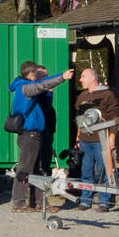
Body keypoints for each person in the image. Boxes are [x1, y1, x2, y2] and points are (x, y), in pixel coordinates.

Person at [9, 61, 73, 212]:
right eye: (37, 75)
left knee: (39, 169)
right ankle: (18, 203)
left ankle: (39, 201)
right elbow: (41, 85)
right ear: (31, 74)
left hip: (36, 134)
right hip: (29, 134)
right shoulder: (25, 87)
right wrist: (62, 77)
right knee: (25, 168)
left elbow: (43, 86)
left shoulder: (26, 86)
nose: (40, 78)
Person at [74, 66, 119, 212]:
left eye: (83, 76)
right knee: (86, 171)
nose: (80, 79)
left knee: (103, 171)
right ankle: (85, 200)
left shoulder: (107, 95)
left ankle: (104, 202)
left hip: (102, 140)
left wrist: (112, 138)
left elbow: (114, 118)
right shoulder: (82, 97)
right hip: (85, 141)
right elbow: (79, 119)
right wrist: (77, 136)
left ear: (92, 79)